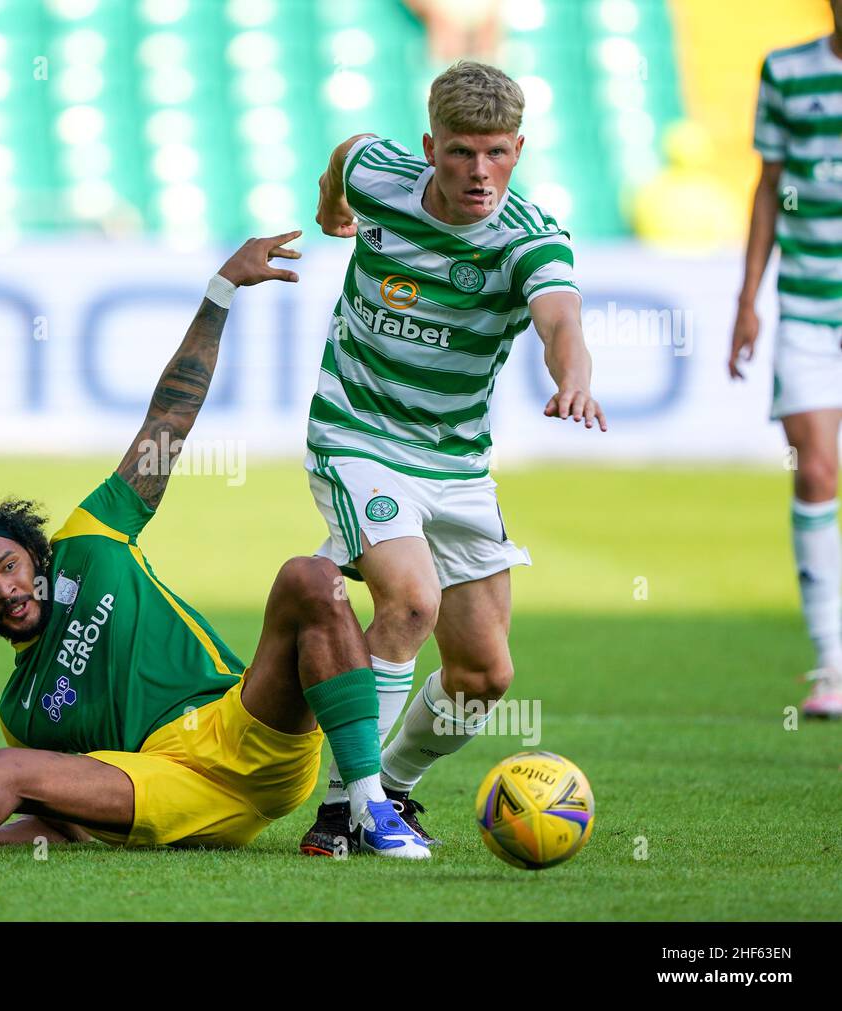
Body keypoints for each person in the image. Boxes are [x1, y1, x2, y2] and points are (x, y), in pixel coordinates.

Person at [0, 233, 434, 862]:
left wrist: (219, 292)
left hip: (250, 729)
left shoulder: (92, 536)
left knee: (309, 577)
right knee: (1, 766)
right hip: (170, 788)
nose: (3, 587)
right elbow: (67, 811)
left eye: (7, 564)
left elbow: (168, 417)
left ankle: (365, 806)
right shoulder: (23, 709)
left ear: (36, 555)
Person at [298, 60, 606, 857]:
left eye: (499, 153)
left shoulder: (528, 238)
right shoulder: (380, 176)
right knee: (409, 603)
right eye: (464, 152)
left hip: (456, 462)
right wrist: (330, 202)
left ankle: (392, 784)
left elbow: (560, 319)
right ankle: (346, 812)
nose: (480, 173)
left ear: (520, 148)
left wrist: (573, 377)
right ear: (431, 146)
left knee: (483, 676)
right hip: (356, 431)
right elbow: (347, 153)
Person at [730, 13, 842, 720]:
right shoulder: (788, 71)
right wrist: (748, 298)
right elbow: (769, 185)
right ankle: (831, 663)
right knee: (816, 468)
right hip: (806, 305)